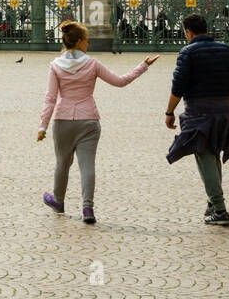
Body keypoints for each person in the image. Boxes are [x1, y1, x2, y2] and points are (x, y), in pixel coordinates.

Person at [37, 21, 158, 224]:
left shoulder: (55, 65)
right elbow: (120, 82)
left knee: (62, 164)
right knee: (87, 166)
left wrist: (43, 126)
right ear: (80, 41)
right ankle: (88, 209)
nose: (88, 43)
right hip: (89, 119)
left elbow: (50, 98)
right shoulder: (92, 64)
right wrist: (143, 66)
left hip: (63, 119)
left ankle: (58, 201)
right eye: (87, 40)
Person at [164, 13, 229, 227]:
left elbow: (178, 87)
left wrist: (169, 112)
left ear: (188, 33)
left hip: (198, 113)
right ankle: (212, 202)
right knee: (214, 154)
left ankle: (220, 209)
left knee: (204, 155)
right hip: (223, 110)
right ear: (207, 30)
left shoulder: (187, 53)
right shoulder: (227, 51)